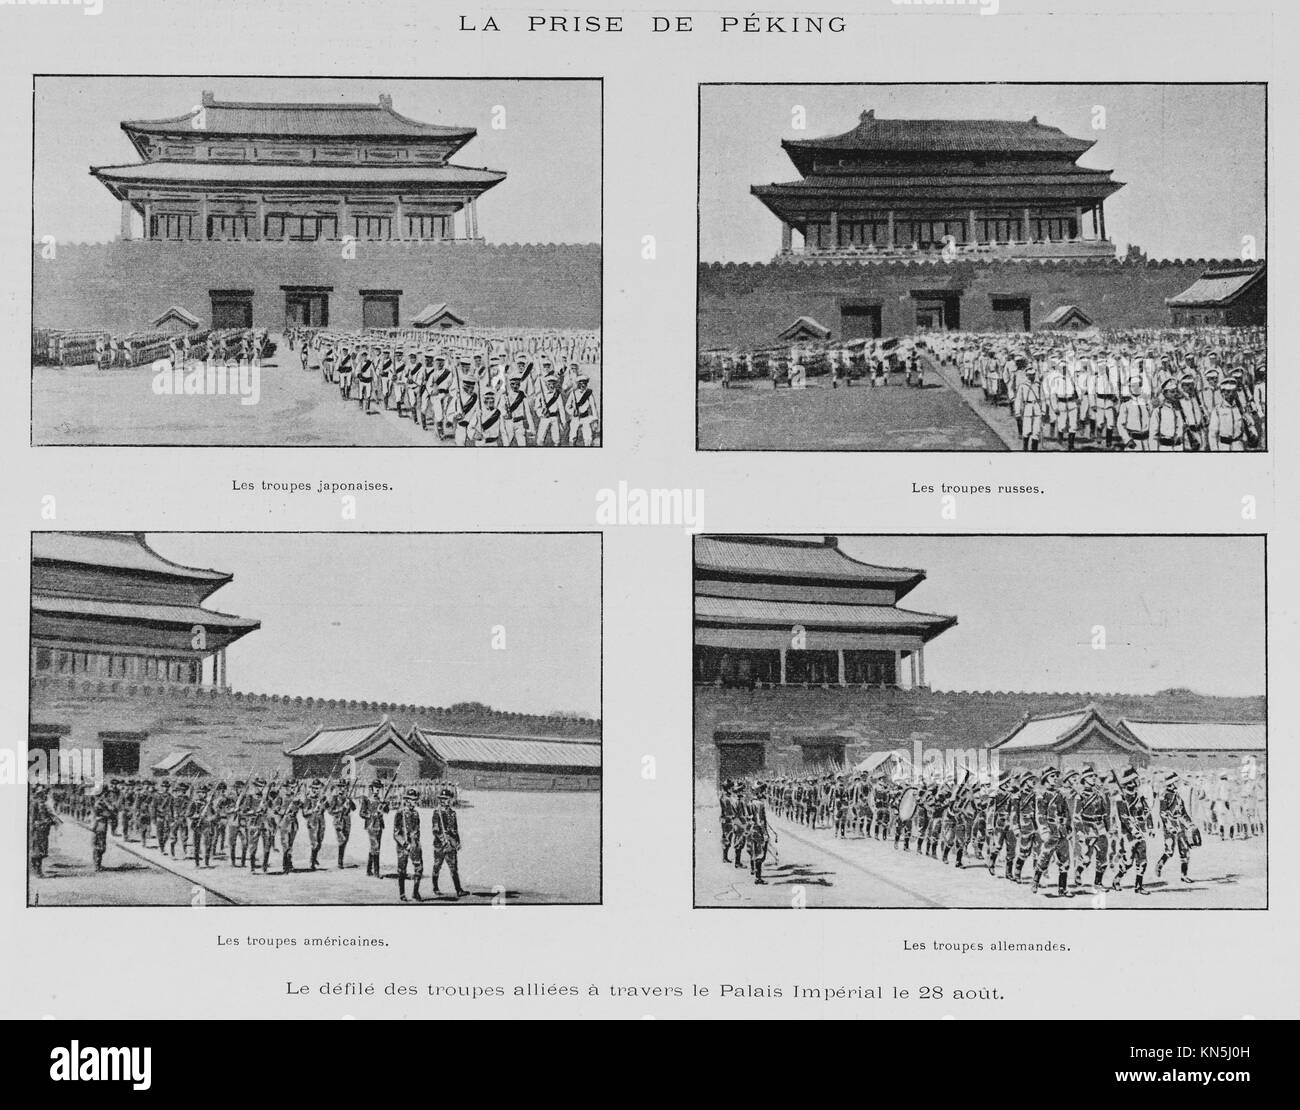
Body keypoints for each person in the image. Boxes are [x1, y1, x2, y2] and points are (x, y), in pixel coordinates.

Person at [429, 786, 466, 897]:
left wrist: (457, 842)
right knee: (437, 866)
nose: (445, 801)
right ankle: (435, 888)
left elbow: (455, 829)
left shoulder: (452, 813)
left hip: (451, 843)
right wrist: (443, 840)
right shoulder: (437, 813)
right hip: (440, 845)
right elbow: (435, 830)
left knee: (453, 867)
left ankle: (458, 890)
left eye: (447, 798)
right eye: (443, 799)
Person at [393, 789, 424, 902]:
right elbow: (396, 833)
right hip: (404, 846)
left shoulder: (416, 813)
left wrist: (416, 843)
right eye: (411, 800)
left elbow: (417, 829)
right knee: (402, 870)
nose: (414, 802)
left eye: (415, 800)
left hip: (415, 845)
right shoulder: (400, 813)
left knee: (419, 868)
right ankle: (402, 894)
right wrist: (405, 844)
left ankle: (415, 893)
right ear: (406, 800)